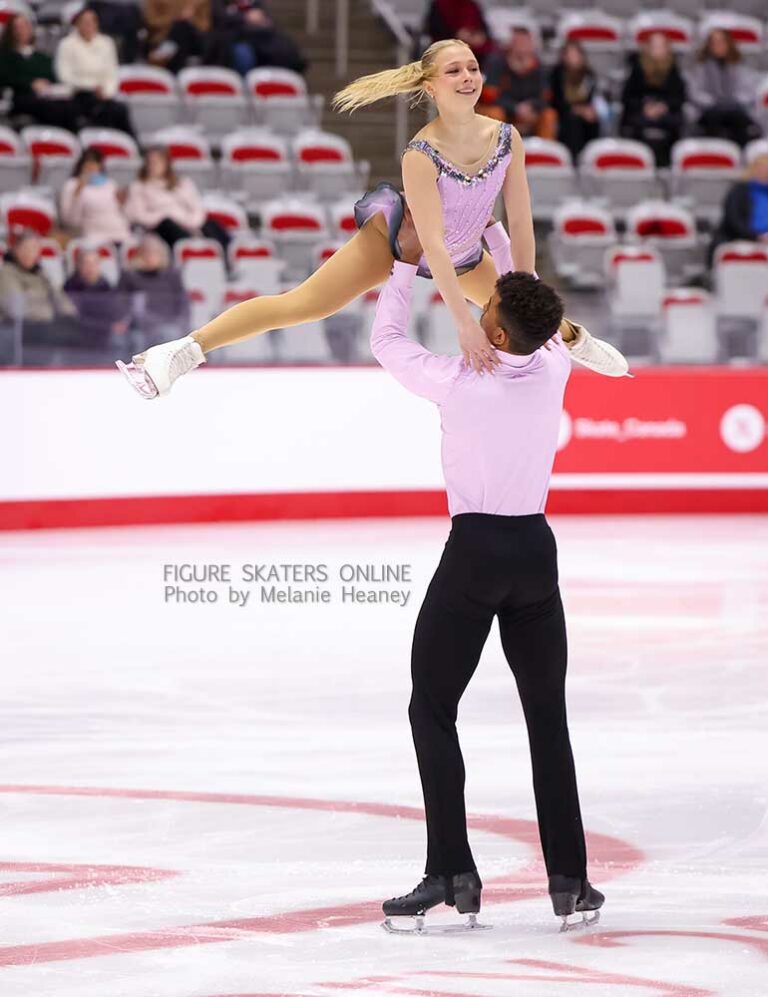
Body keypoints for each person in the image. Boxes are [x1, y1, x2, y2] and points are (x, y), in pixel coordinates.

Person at [116, 39, 627, 400]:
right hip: (399, 241)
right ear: (430, 84)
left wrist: (526, 288)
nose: (468, 77)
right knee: (303, 305)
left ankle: (576, 338)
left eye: (472, 67)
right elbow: (428, 241)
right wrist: (464, 327)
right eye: (454, 70)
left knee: (528, 313)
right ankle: (183, 351)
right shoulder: (420, 153)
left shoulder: (507, 138)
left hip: (468, 251)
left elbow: (520, 220)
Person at [374, 211, 605, 931]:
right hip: (536, 555)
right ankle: (570, 878)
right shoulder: (555, 365)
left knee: (431, 706)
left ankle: (451, 871)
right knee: (548, 720)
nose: (475, 310)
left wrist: (405, 263)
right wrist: (503, 241)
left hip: (474, 556)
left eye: (484, 311)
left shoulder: (457, 380)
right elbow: (524, 293)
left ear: (497, 333)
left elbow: (386, 341)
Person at [124, 146, 231, 253]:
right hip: (161, 226)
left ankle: (227, 258)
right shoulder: (138, 187)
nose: (154, 165)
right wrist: (166, 214)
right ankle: (190, 251)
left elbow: (198, 210)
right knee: (168, 225)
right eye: (150, 162)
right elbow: (138, 215)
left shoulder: (183, 183)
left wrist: (188, 222)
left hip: (188, 223)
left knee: (211, 225)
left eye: (158, 161)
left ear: (167, 163)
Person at [55, 6, 136, 137]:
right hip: (77, 94)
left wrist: (107, 92)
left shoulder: (106, 43)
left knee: (119, 110)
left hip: (103, 95)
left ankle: (131, 147)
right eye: (85, 22)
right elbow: (64, 76)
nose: (89, 25)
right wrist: (91, 87)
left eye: (92, 21)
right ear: (77, 24)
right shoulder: (66, 44)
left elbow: (112, 73)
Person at [0, 232, 81, 350]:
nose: (29, 253)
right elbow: (15, 309)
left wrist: (71, 316)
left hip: (44, 327)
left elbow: (59, 297)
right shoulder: (6, 273)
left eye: (33, 249)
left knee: (85, 332)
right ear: (15, 249)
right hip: (18, 332)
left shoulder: (41, 273)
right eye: (25, 248)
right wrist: (48, 309)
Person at [0, 13, 80, 132]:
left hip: (46, 95)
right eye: (17, 27)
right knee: (49, 108)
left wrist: (45, 84)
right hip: (20, 97)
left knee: (70, 106)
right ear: (11, 31)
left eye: (24, 26)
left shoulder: (42, 58)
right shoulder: (5, 57)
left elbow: (52, 77)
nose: (21, 31)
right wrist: (31, 84)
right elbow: (6, 77)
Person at [620, 32, 686, 168]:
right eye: (654, 46)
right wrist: (644, 108)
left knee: (675, 123)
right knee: (636, 123)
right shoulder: (637, 69)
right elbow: (627, 97)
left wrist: (663, 107)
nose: (657, 50)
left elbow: (679, 97)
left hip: (665, 113)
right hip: (641, 112)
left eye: (661, 46)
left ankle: (667, 166)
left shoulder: (674, 71)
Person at [687, 29, 761, 149]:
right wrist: (715, 102)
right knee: (714, 115)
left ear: (729, 44)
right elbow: (695, 93)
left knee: (737, 115)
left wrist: (732, 101)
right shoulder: (700, 68)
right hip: (709, 109)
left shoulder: (741, 67)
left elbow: (748, 93)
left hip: (735, 108)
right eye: (714, 42)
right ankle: (713, 152)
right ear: (709, 45)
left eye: (721, 42)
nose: (718, 46)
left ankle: (741, 155)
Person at [478, 28, 556, 139]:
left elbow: (545, 96)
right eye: (518, 42)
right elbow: (488, 95)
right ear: (511, 44)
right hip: (504, 110)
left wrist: (531, 106)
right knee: (495, 113)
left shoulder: (538, 66)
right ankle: (496, 152)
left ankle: (543, 151)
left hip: (529, 112)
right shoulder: (496, 62)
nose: (522, 46)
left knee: (549, 115)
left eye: (525, 42)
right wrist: (515, 108)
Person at [117, 233, 191, 345]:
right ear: (139, 254)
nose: (150, 257)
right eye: (147, 252)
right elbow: (121, 302)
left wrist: (179, 322)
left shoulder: (172, 275)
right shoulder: (130, 276)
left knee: (171, 334)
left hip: (169, 324)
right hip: (139, 326)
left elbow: (183, 303)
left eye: (154, 253)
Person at [213, 0, 307, 76]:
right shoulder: (218, 4)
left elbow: (268, 24)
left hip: (260, 42)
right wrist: (246, 18)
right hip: (230, 43)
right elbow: (219, 21)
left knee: (283, 49)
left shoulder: (257, 4)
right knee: (242, 53)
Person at [60, 148, 133, 245]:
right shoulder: (71, 185)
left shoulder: (110, 184)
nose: (91, 169)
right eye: (88, 165)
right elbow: (70, 220)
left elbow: (123, 213)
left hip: (119, 232)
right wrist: (77, 194)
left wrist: (123, 202)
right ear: (81, 166)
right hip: (93, 235)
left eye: (95, 165)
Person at [63, 247, 131, 349]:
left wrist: (122, 322)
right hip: (84, 336)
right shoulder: (71, 287)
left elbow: (117, 310)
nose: (91, 267)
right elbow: (76, 320)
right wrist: (109, 327)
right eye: (86, 263)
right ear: (78, 265)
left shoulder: (105, 285)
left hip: (108, 333)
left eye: (95, 263)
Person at [709, 153, 768, 264]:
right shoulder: (739, 191)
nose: (764, 172)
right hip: (739, 237)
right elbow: (734, 220)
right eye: (761, 168)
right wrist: (757, 237)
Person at [549, 41, 601, 161]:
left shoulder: (589, 75)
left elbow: (590, 98)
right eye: (569, 54)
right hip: (563, 111)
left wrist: (587, 111)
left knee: (594, 119)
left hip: (583, 110)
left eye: (575, 54)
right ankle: (573, 158)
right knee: (573, 121)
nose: (572, 58)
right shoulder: (557, 74)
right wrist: (577, 110)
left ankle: (591, 157)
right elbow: (557, 100)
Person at [424, 0, 495, 69]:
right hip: (448, 46)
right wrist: (457, 35)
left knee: (494, 58)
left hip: (474, 47)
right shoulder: (440, 5)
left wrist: (480, 36)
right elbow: (435, 30)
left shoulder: (472, 5)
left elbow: (484, 29)